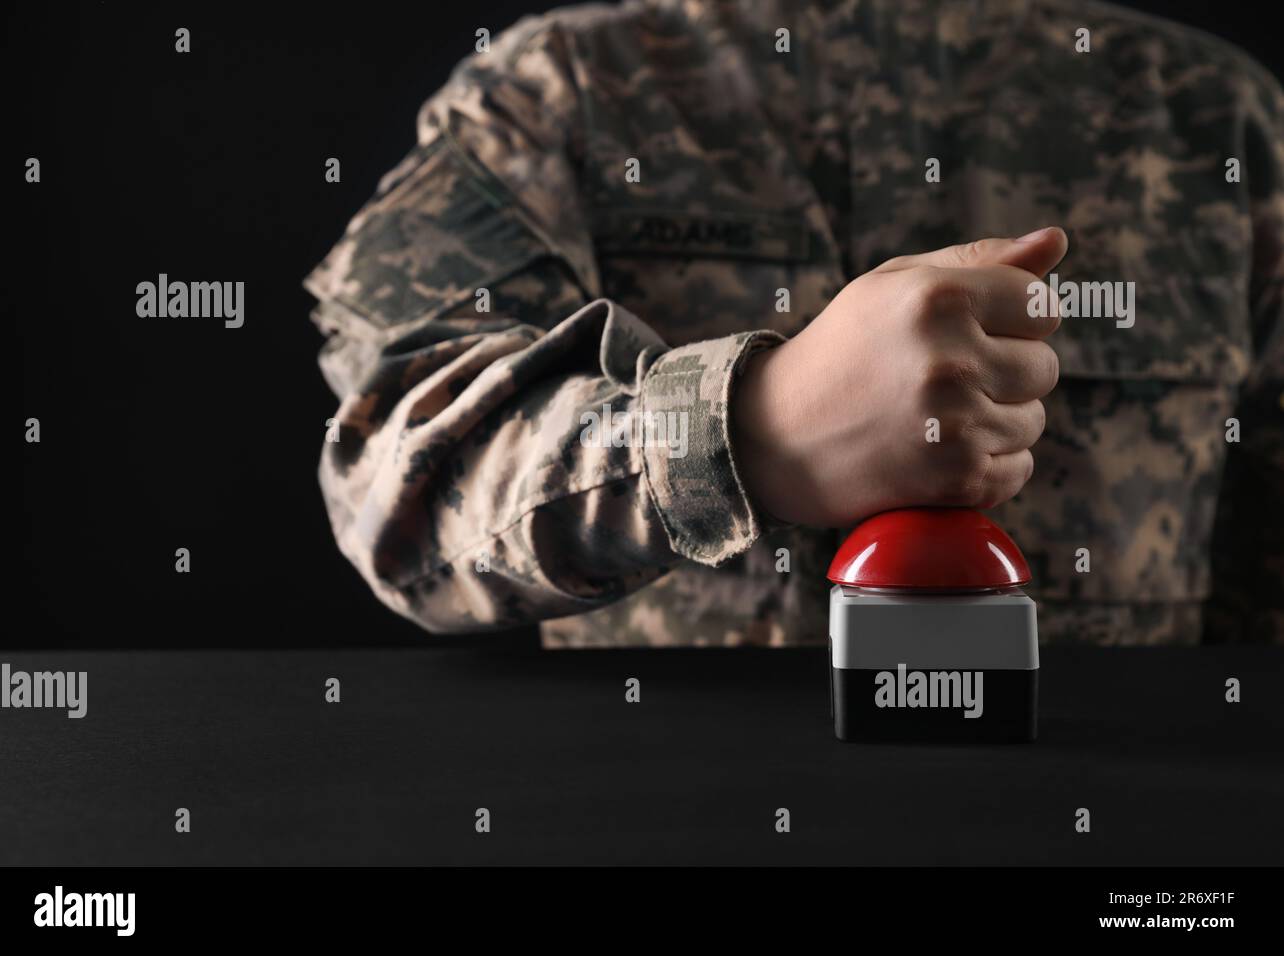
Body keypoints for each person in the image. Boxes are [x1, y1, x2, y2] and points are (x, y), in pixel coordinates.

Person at [305, 0, 1282, 647]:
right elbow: (398, 487)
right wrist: (750, 428)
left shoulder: (1214, 120)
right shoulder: (555, 96)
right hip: (668, 822)